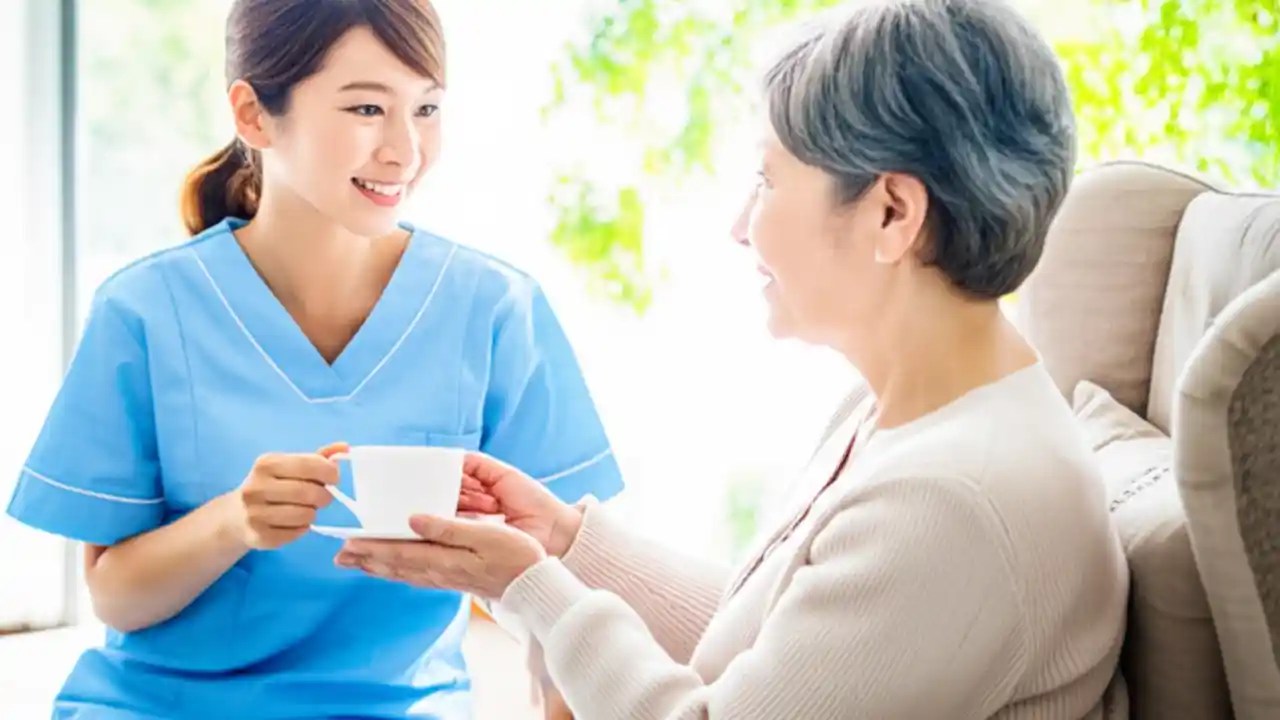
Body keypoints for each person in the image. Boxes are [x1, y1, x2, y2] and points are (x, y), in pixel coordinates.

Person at [337, 0, 1131, 718]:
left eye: (769, 179)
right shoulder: (911, 415)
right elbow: (789, 656)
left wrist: (528, 590)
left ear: (893, 213)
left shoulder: (956, 502)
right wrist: (566, 543)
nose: (741, 225)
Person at [4, 1, 623, 717]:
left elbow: (562, 584)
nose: (405, 150)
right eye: (366, 108)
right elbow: (116, 599)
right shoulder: (144, 311)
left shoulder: (493, 310)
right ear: (254, 114)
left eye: (425, 108)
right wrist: (234, 520)